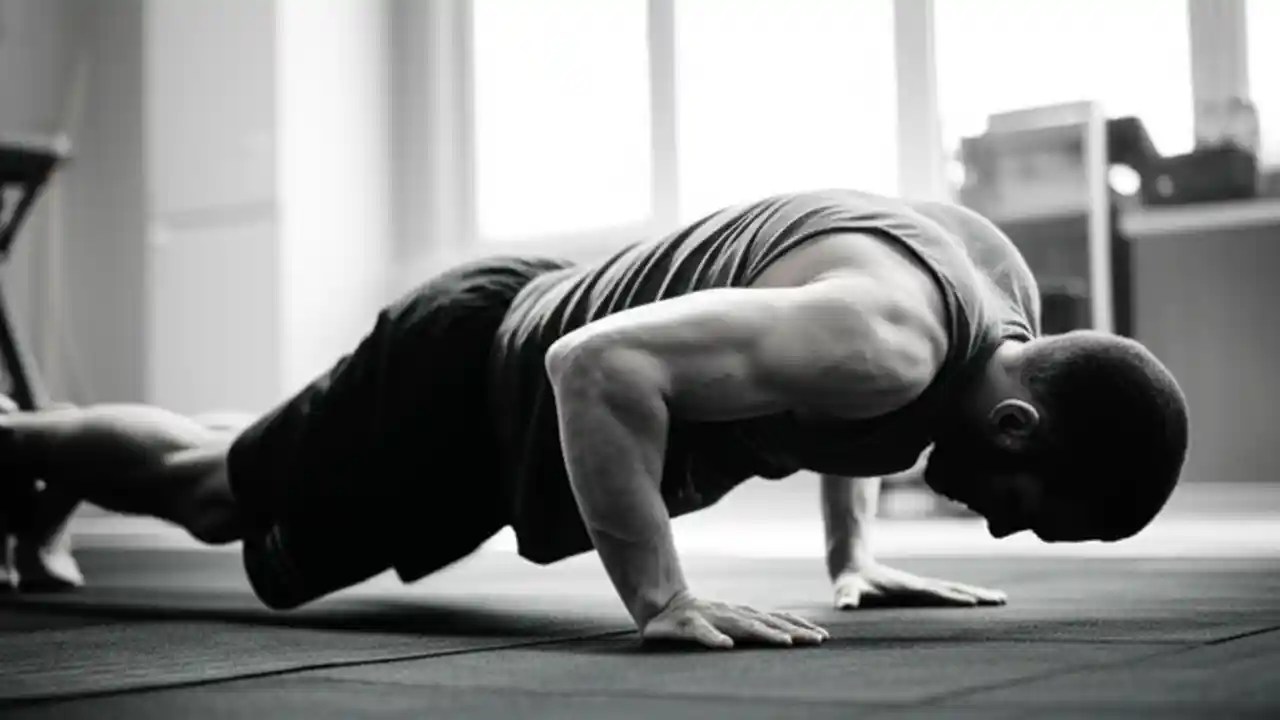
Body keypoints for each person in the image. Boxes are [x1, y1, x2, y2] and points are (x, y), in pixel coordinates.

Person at [0, 188, 1189, 650]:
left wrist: (852, 553)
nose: (999, 535)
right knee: (222, 498)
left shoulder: (991, 298)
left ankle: (57, 466)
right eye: (1033, 518)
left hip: (486, 345)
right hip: (471, 379)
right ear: (1021, 426)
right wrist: (661, 599)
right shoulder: (887, 340)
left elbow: (860, 398)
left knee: (258, 456)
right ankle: (21, 443)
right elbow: (596, 370)